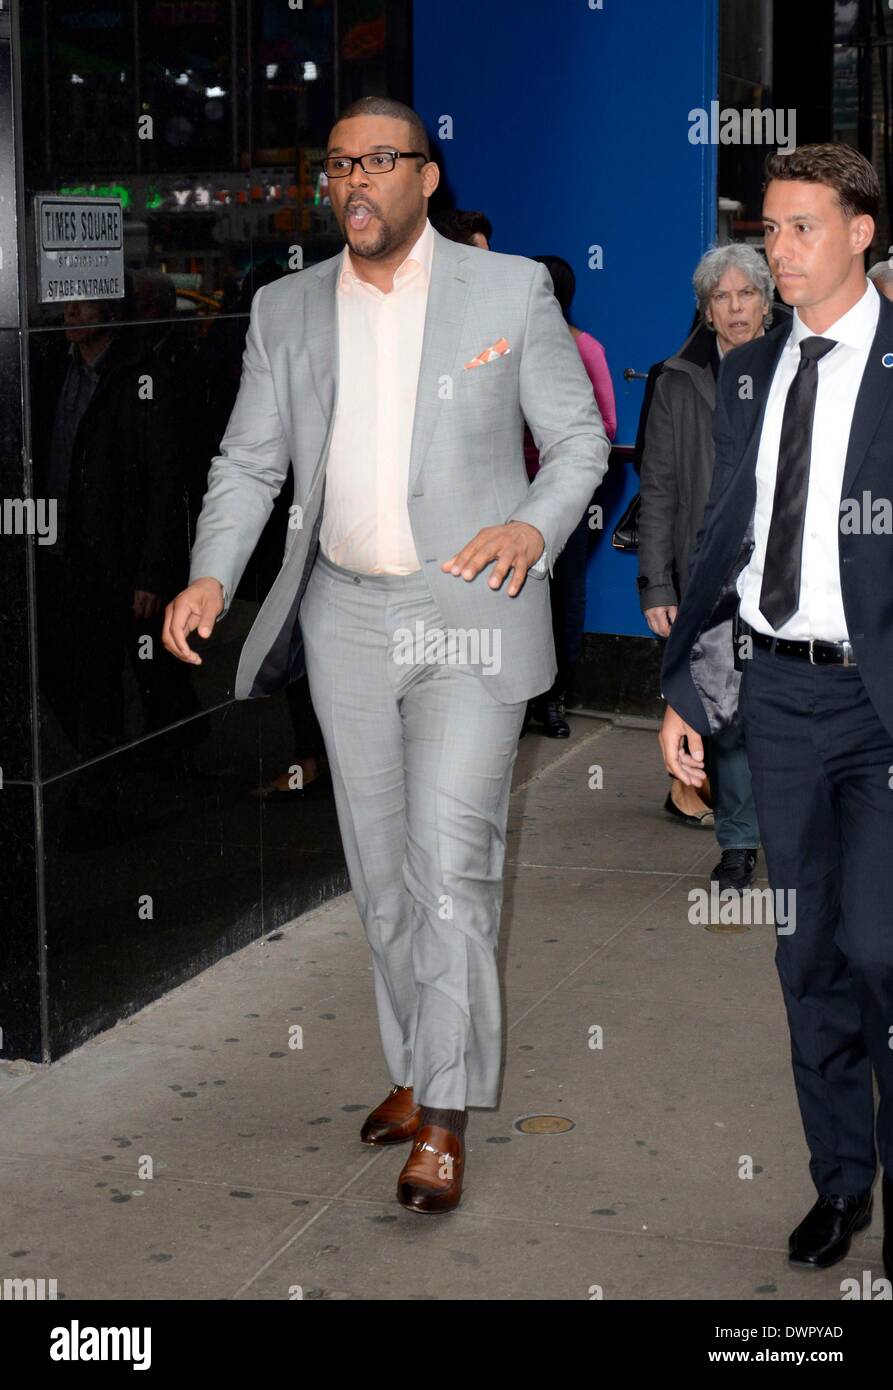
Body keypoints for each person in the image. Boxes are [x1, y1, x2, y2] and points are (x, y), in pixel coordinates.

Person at [163, 97, 609, 1214]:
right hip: (345, 619)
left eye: (377, 161)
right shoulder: (284, 309)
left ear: (425, 174)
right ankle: (414, 1062)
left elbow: (575, 440)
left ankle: (446, 1115)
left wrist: (531, 526)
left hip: (467, 608)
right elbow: (248, 463)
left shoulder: (508, 290)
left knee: (450, 864)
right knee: (380, 873)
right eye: (337, 164)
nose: (353, 180)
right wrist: (214, 568)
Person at [660, 143, 892, 1281]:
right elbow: (721, 543)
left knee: (882, 948)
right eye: (767, 228)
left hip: (880, 698)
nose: (776, 249)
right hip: (782, 697)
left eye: (800, 226)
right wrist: (684, 689)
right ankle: (839, 1183)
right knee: (805, 959)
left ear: (859, 231)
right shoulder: (747, 372)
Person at [639, 244, 769, 898]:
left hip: (783, 571)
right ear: (706, 309)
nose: (735, 307)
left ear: (767, 301)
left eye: (746, 294)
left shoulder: (800, 369)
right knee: (724, 706)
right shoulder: (677, 378)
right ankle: (739, 844)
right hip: (707, 569)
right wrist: (656, 583)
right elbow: (658, 486)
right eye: (721, 297)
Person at [523, 254, 617, 736]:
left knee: (565, 594)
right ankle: (520, 698)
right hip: (511, 492)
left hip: (565, 494)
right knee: (514, 596)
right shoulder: (506, 345)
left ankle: (555, 698)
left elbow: (606, 424)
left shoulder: (586, 349)